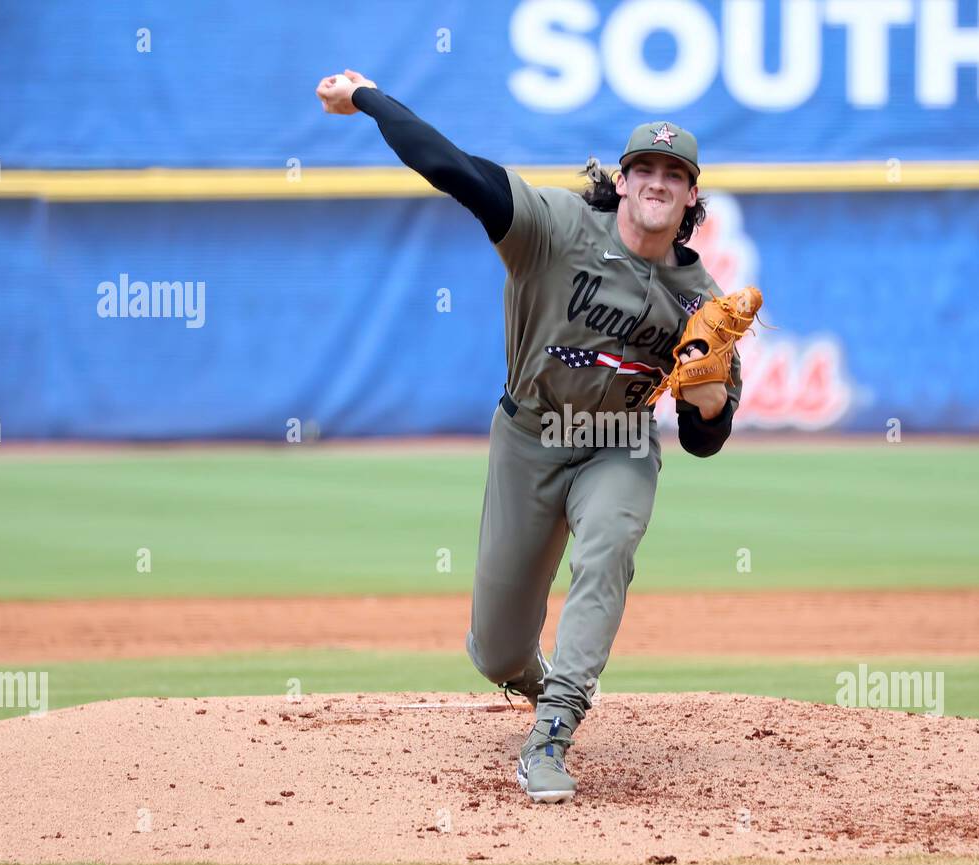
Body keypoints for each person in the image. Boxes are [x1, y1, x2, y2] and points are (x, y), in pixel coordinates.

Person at [316, 70, 744, 802]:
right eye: (646, 166)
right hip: (528, 436)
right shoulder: (552, 226)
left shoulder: (702, 304)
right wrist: (368, 99)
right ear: (623, 177)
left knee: (609, 544)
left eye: (676, 174)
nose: (658, 181)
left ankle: (552, 731)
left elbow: (705, 442)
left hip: (618, 441)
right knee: (497, 650)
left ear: (691, 197)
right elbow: (454, 169)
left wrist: (708, 405)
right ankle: (528, 673)